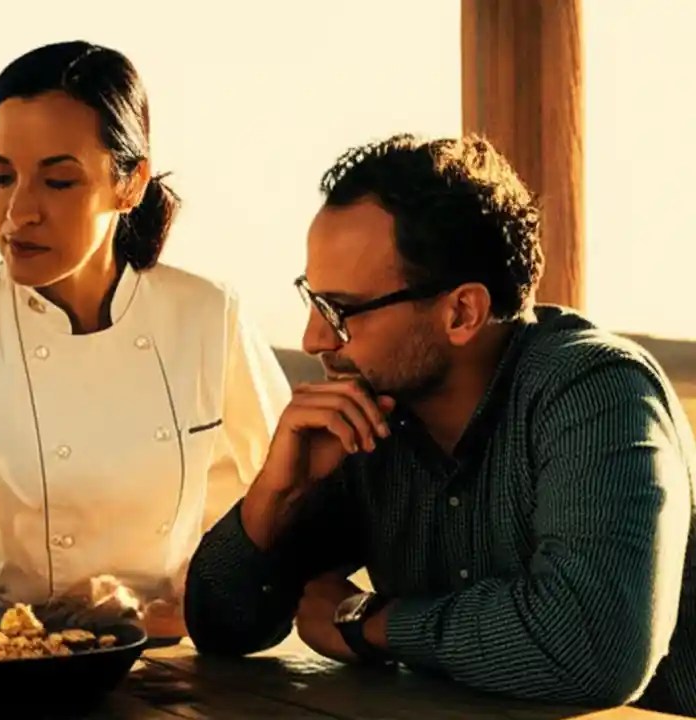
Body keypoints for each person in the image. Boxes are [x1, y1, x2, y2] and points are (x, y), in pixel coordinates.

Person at [183, 133, 696, 715]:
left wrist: (367, 621)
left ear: (462, 312)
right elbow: (222, 629)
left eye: (341, 311)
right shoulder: (370, 419)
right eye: (312, 301)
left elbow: (593, 649)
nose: (314, 339)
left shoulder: (594, 390)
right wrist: (276, 496)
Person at [0, 40, 292, 635]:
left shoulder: (208, 314)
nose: (17, 212)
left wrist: (213, 588)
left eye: (58, 182)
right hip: (19, 648)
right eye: (1, 176)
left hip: (172, 645)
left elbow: (288, 484)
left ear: (129, 184)